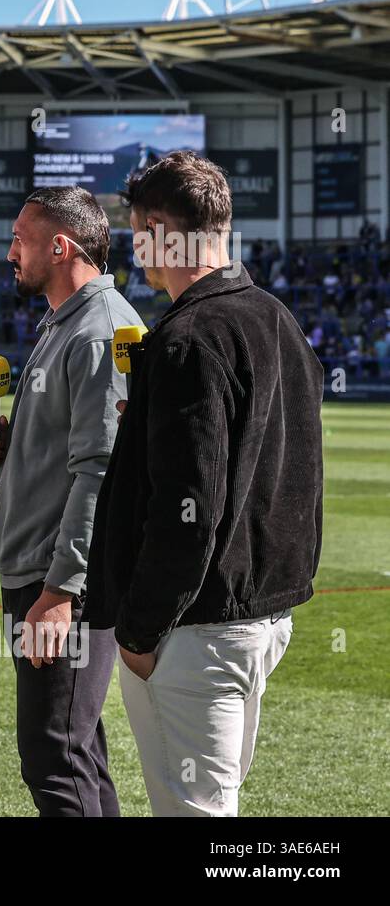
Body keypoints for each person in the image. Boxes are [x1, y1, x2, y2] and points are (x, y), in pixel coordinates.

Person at [85, 151, 324, 816]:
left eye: (138, 231)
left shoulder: (188, 336)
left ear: (163, 229)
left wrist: (138, 631)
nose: (137, 250)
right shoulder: (277, 318)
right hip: (261, 615)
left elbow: (189, 507)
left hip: (197, 627)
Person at [0, 186, 142, 817]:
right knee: (77, 752)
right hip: (42, 570)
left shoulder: (98, 332)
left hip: (62, 582)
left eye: (21, 238)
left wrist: (61, 592)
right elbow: (68, 456)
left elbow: (101, 473)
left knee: (55, 756)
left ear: (61, 246)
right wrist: (7, 450)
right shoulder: (67, 322)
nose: (10, 251)